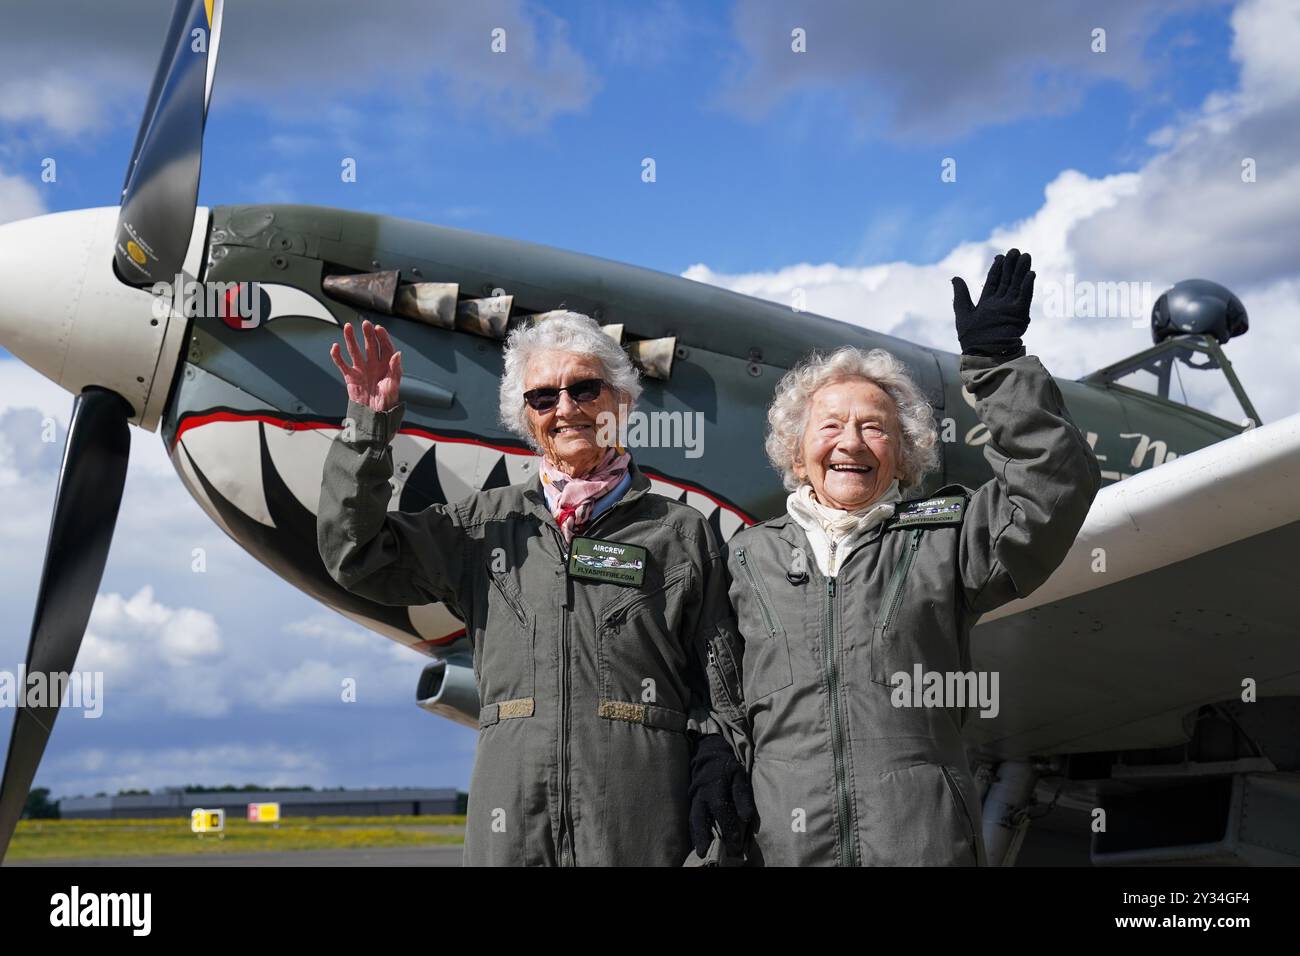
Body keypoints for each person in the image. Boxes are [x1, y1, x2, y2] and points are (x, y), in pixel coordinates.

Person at [317, 311, 751, 866]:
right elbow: (355, 554)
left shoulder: (680, 533)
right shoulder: (481, 527)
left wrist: (720, 754)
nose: (566, 409)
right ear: (526, 417)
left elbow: (724, 683)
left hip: (637, 828)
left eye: (585, 389)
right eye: (543, 398)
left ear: (620, 403)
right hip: (513, 824)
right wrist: (367, 428)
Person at [729, 248, 1101, 865]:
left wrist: (1000, 366)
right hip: (784, 849)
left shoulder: (948, 539)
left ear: (905, 457)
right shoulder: (744, 558)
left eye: (875, 428)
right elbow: (715, 694)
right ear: (796, 457)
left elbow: (1051, 485)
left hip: (922, 844)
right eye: (829, 428)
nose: (851, 442)